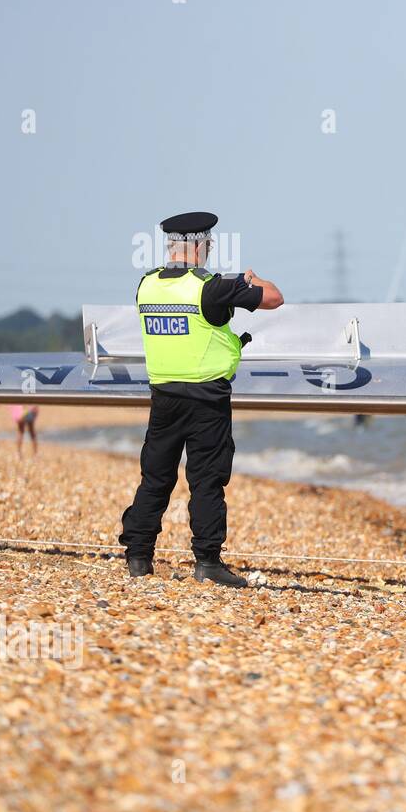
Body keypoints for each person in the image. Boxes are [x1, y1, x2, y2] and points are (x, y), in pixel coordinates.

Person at [118, 211, 284, 584]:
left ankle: (138, 557)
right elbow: (275, 298)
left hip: (163, 396)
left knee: (155, 477)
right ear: (198, 245)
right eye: (208, 244)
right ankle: (208, 562)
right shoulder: (211, 287)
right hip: (207, 398)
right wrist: (252, 281)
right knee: (207, 480)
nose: (209, 250)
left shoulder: (147, 285)